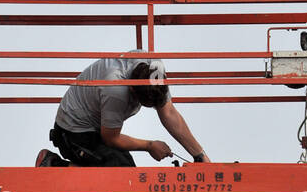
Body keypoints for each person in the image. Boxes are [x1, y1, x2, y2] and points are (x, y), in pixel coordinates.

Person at [36, 50, 209, 169]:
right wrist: (149, 145)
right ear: (132, 90)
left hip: (96, 128)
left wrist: (200, 155)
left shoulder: (154, 67)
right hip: (74, 132)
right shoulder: (116, 90)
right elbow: (111, 138)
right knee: (121, 172)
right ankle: (55, 165)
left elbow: (169, 113)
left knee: (124, 168)